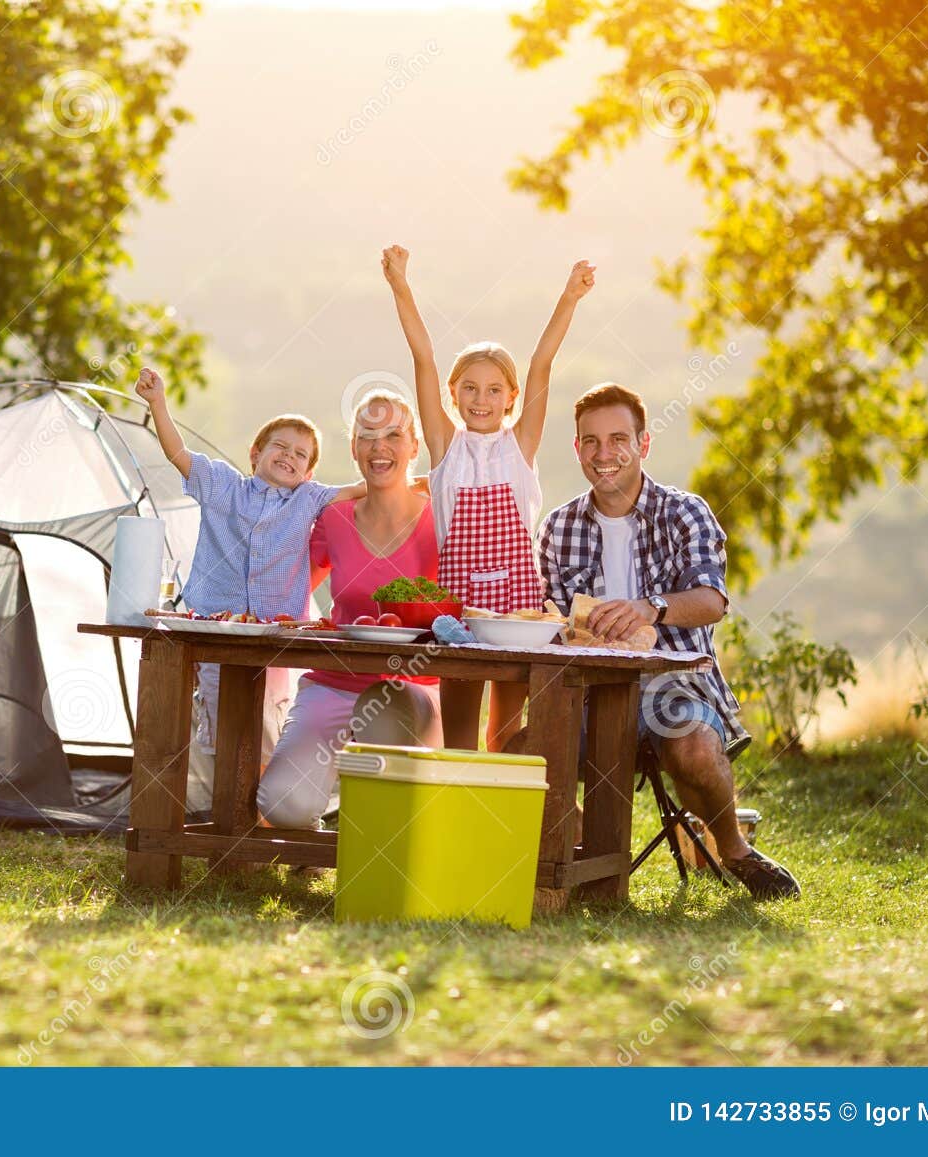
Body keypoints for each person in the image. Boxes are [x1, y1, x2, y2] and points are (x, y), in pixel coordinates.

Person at [538, 382, 801, 901]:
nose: (604, 454)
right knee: (521, 755)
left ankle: (732, 847)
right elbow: (548, 615)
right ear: (577, 449)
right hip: (586, 691)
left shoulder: (685, 512)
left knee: (697, 751)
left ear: (643, 444)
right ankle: (591, 852)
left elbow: (712, 600)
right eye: (590, 441)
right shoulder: (556, 526)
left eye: (618, 439)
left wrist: (650, 608)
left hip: (671, 686)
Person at [381, 244, 595, 751]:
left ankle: (503, 819)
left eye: (495, 389)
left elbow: (542, 363)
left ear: (512, 397)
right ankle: (460, 812)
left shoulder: (520, 447)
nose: (482, 400)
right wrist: (400, 287)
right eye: (471, 389)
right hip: (459, 608)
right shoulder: (443, 447)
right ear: (452, 395)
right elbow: (423, 357)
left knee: (506, 732)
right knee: (459, 731)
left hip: (518, 612)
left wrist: (569, 297)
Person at [135, 367, 365, 812]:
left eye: (301, 454)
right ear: (255, 452)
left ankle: (271, 818)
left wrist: (428, 479)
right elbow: (178, 453)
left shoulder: (309, 499)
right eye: (280, 446)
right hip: (218, 630)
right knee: (224, 725)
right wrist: (158, 404)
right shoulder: (223, 485)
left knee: (267, 725)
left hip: (277, 637)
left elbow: (362, 488)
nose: (289, 456)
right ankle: (230, 819)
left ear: (310, 470)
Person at [257, 392, 442, 829]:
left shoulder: (442, 518)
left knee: (394, 810)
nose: (379, 447)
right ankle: (319, 819)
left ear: (414, 446)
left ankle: (371, 828)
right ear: (354, 449)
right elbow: (287, 588)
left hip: (412, 687)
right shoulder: (334, 518)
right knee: (285, 804)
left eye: (393, 435)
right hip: (337, 682)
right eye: (367, 437)